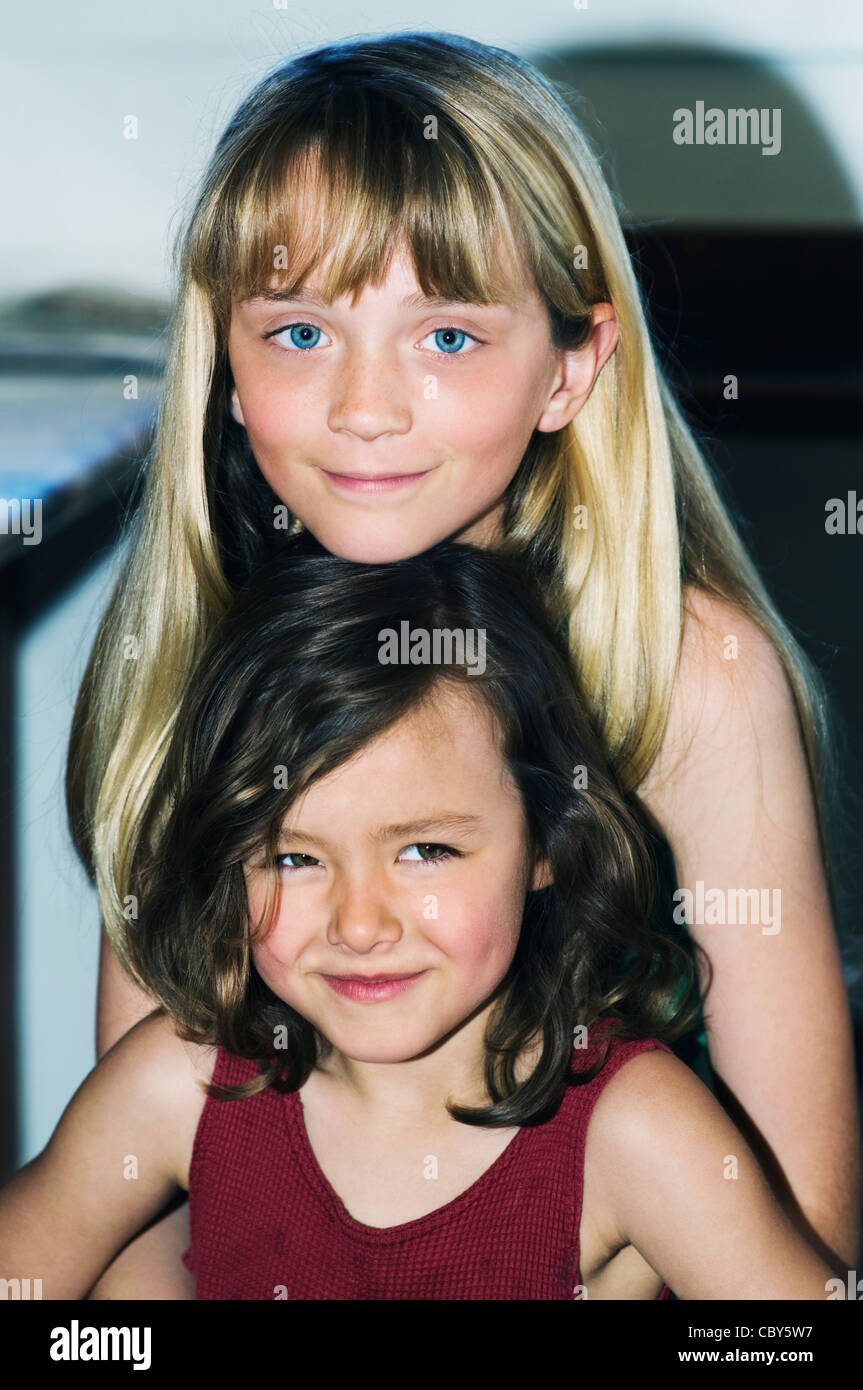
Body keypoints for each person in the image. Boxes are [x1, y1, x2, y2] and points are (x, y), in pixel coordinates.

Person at [65, 32, 859, 1296]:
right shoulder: (198, 668)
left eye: (444, 339)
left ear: (569, 365)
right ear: (223, 363)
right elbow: (146, 1184)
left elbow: (802, 1225)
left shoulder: (688, 676)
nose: (364, 406)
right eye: (300, 333)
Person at [6, 540, 844, 1298]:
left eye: (427, 852)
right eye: (294, 859)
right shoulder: (176, 1083)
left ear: (548, 842)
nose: (359, 925)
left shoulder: (633, 1130)